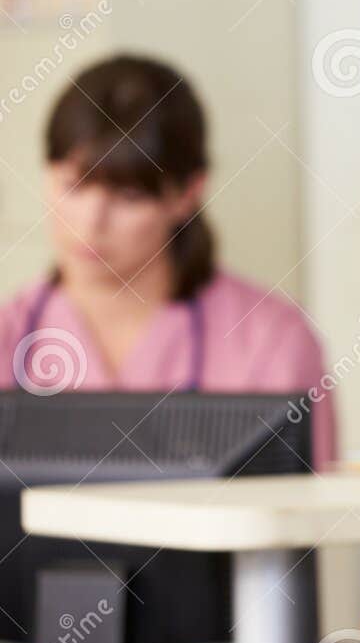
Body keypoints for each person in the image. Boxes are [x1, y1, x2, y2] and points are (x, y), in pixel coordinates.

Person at [0, 54, 338, 470]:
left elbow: (301, 519)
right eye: (74, 186)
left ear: (186, 194)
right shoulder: (8, 335)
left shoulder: (271, 341)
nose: (91, 222)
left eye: (128, 197)